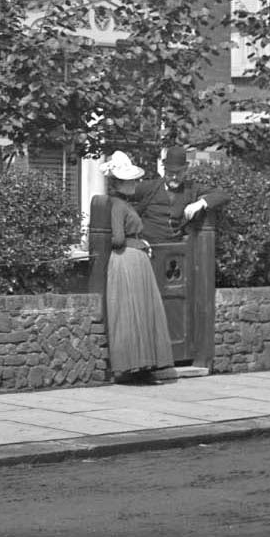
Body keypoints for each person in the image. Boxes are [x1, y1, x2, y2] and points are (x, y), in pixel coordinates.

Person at [101, 150, 174, 385]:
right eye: (128, 180)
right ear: (118, 183)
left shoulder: (124, 203)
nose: (133, 183)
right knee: (131, 313)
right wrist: (138, 243)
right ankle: (132, 367)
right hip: (127, 261)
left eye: (132, 179)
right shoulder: (118, 205)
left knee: (140, 313)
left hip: (134, 259)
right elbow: (117, 238)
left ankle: (143, 366)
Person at [130, 145, 230, 245]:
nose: (174, 177)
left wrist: (201, 203)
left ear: (185, 170)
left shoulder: (191, 188)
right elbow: (121, 194)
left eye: (178, 173)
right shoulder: (149, 187)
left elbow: (223, 195)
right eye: (170, 173)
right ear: (164, 170)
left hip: (175, 248)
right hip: (147, 244)